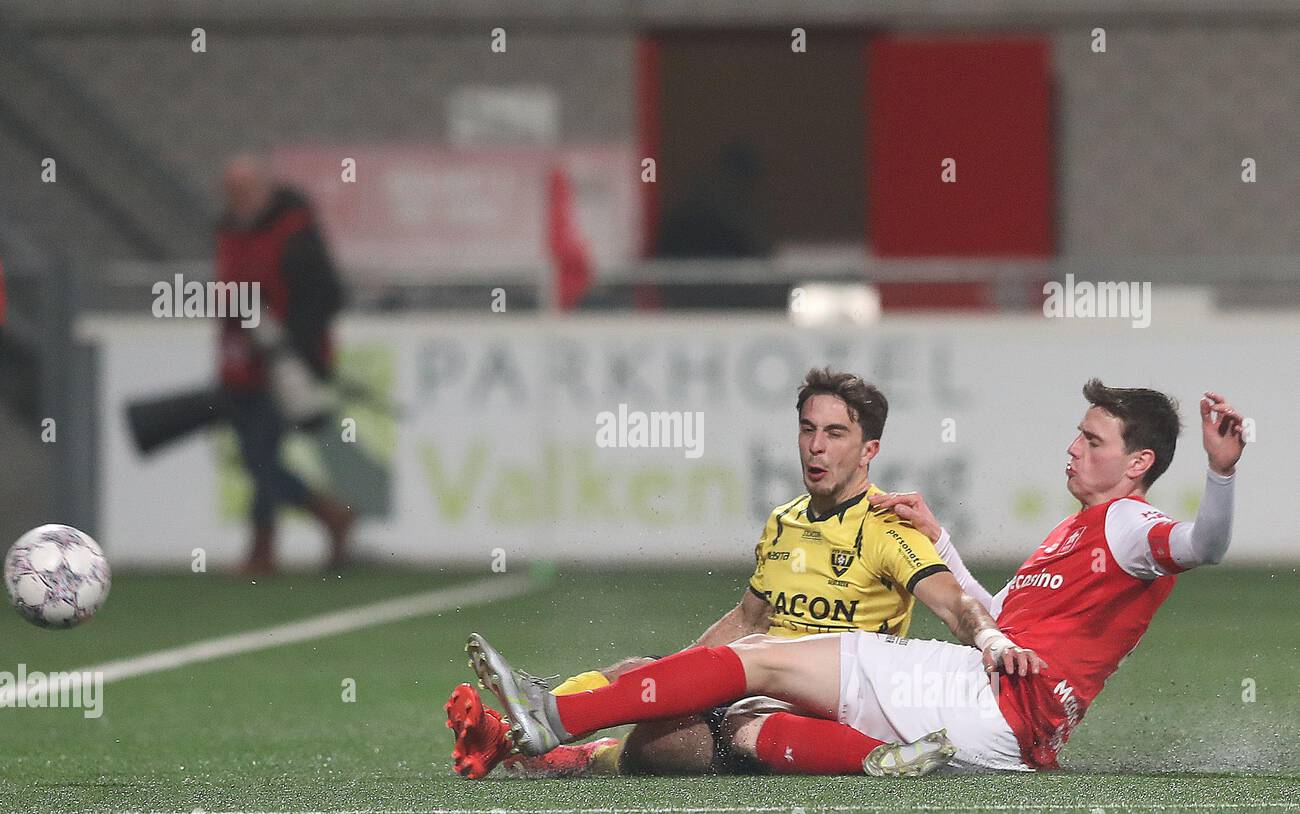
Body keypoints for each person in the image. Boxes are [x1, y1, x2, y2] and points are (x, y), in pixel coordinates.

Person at [458, 382, 1244, 776]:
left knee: (754, 668)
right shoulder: (1076, 531)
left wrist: (1220, 473)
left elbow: (1204, 544)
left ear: (1137, 463)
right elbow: (999, 616)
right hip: (996, 708)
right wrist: (945, 540)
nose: (1074, 448)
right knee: (743, 675)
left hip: (992, 704)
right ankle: (554, 725)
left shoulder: (1130, 524)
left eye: (1093, 440)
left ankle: (552, 721)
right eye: (1078, 433)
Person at [446, 368, 1009, 779]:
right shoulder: (785, 521)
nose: (815, 448)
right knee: (640, 675)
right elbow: (749, 619)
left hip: (822, 706)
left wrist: (991, 640)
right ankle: (515, 729)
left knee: (672, 745)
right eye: (807, 429)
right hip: (752, 686)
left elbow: (954, 602)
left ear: (869, 451)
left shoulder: (888, 526)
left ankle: (567, 751)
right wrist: (674, 680)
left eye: (835, 434)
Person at [216, 156, 352, 573]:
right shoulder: (227, 230)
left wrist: (288, 342)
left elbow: (326, 295)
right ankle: (327, 515)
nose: (236, 199)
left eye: (244, 190)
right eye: (231, 191)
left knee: (261, 454)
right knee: (255, 455)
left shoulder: (295, 232)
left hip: (283, 365)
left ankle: (267, 545)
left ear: (264, 190)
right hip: (240, 362)